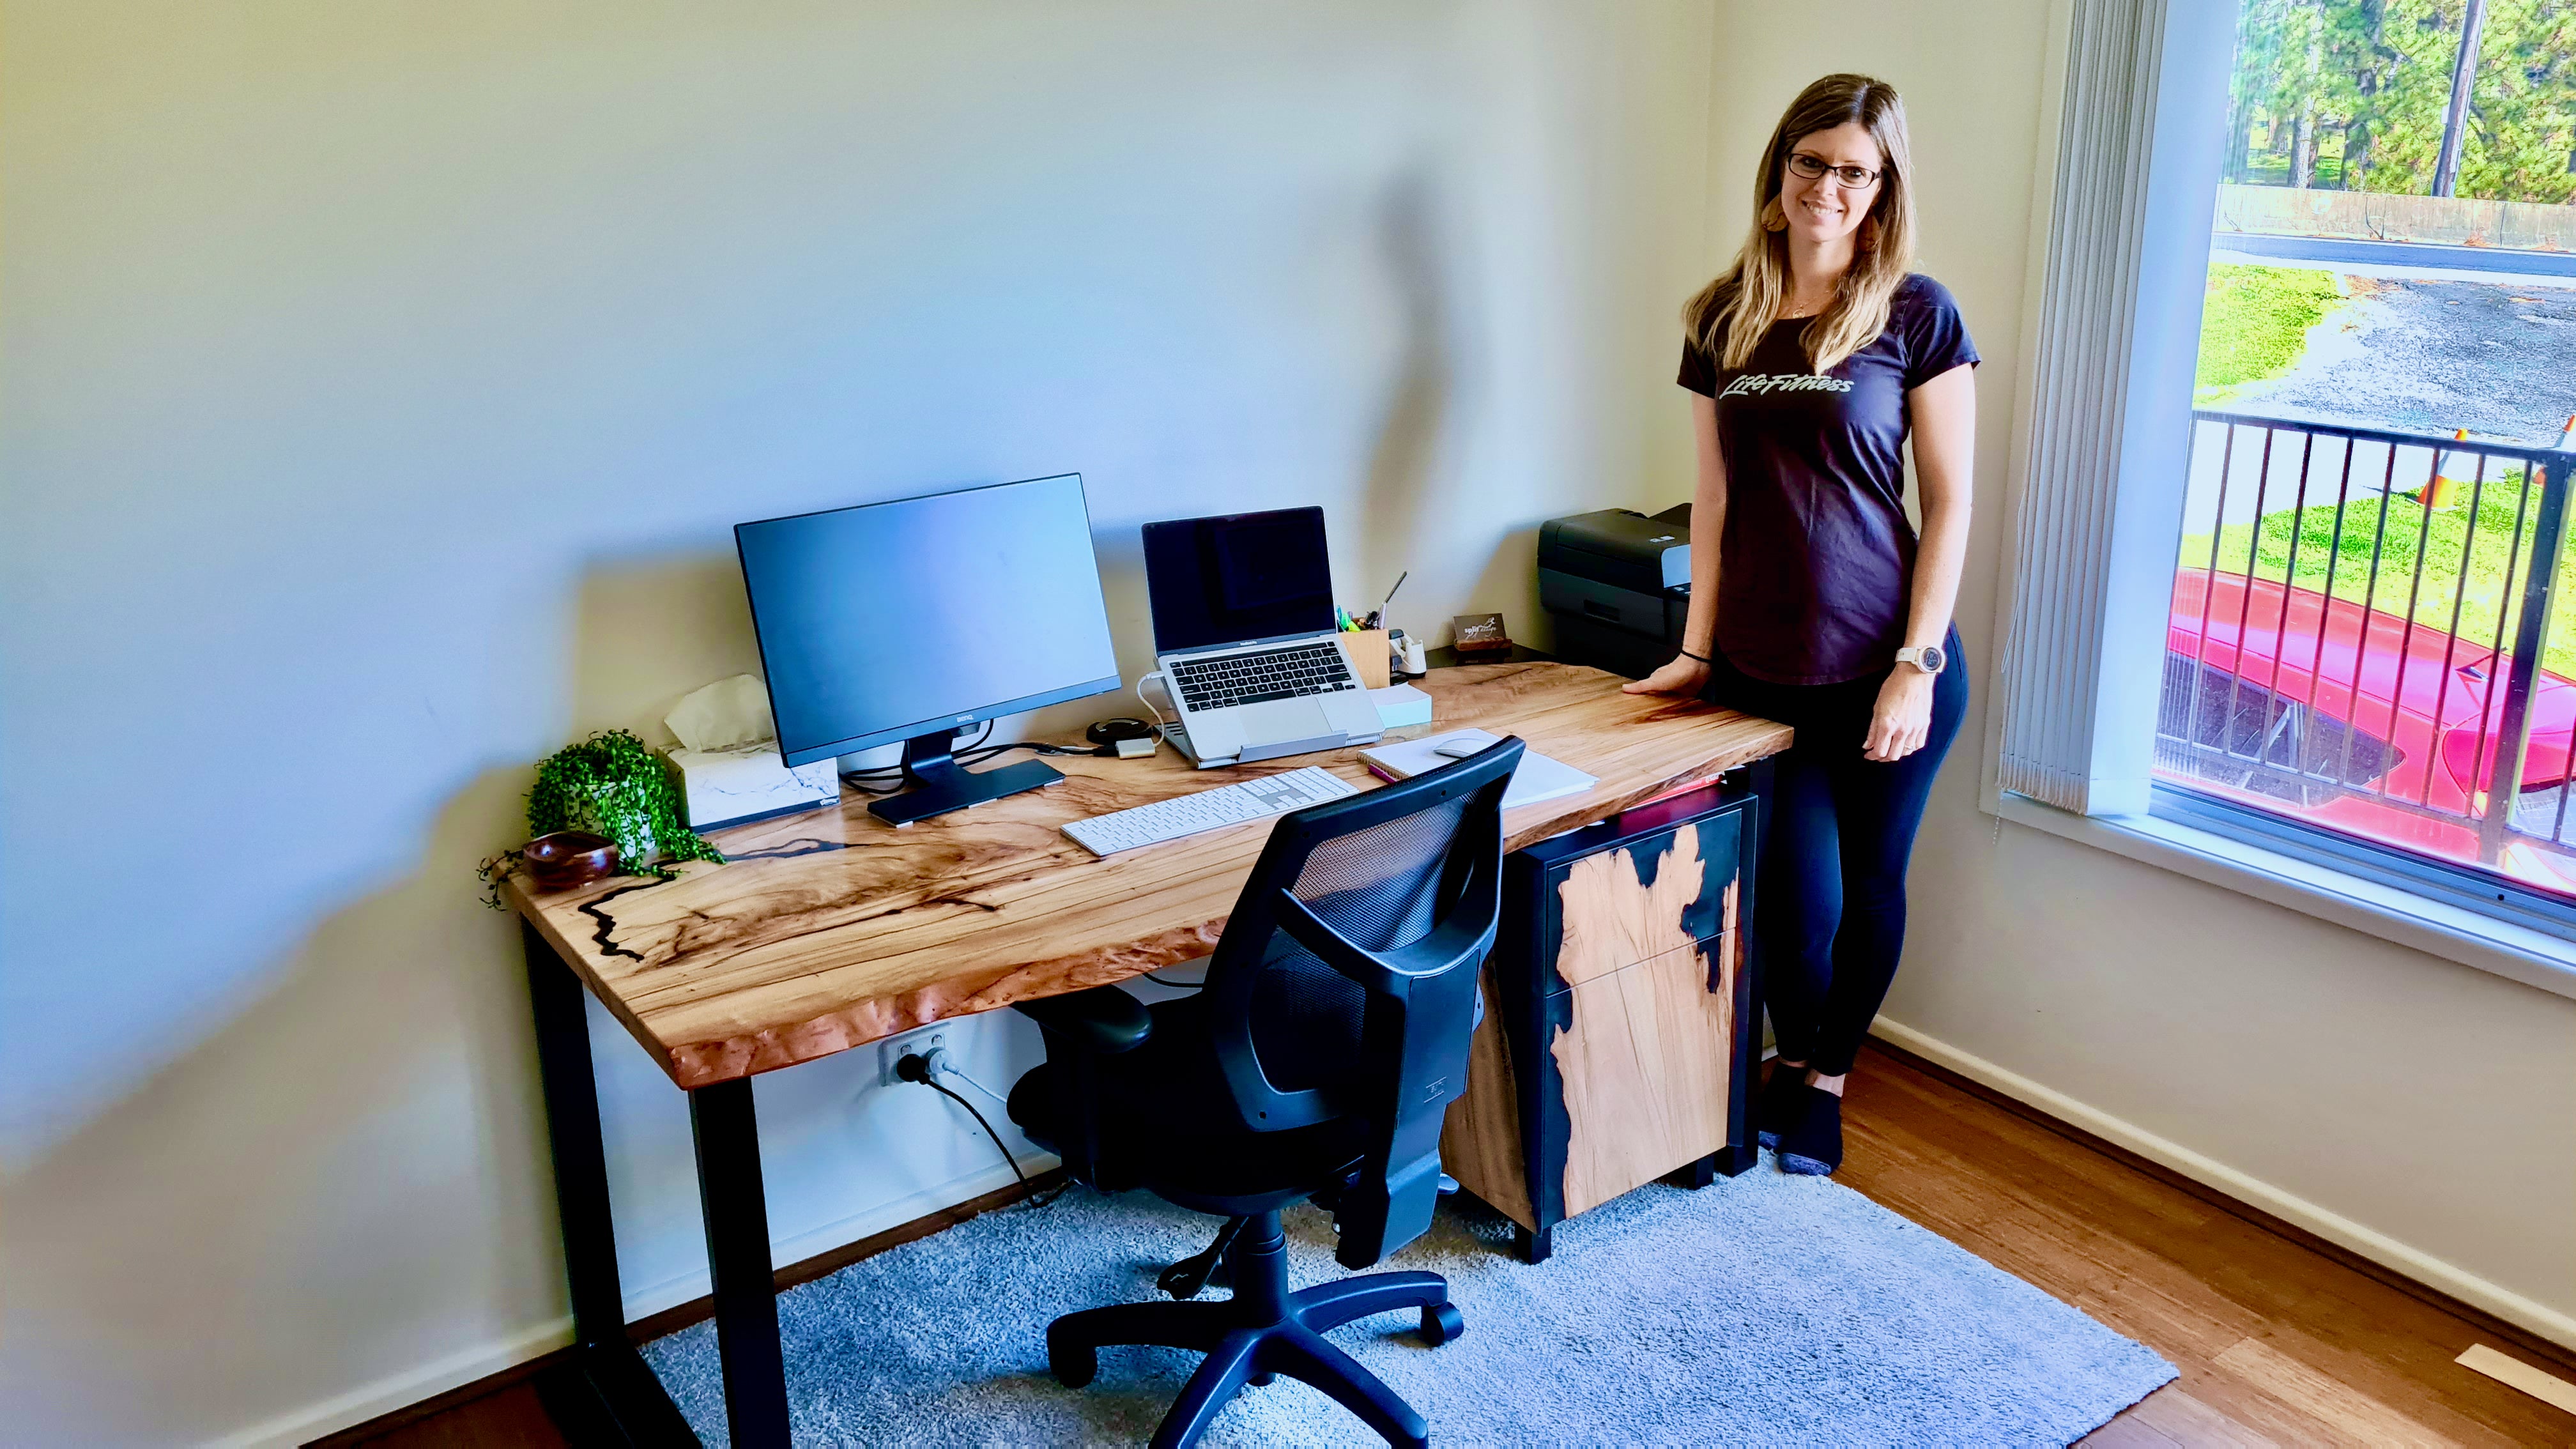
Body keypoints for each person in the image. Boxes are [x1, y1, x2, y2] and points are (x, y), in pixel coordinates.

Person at [1625, 73, 1975, 1177]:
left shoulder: (1916, 313)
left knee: (1871, 885)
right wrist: (1694, 652)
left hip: (1887, 664)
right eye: (1813, 162)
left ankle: (1822, 1077)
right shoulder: (1717, 319)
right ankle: (1784, 1053)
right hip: (1761, 669)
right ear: (1780, 173)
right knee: (1792, 901)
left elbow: (1952, 500)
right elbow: (1715, 503)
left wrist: (1916, 666)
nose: (1832, 187)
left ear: (1883, 190)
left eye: (1857, 171)